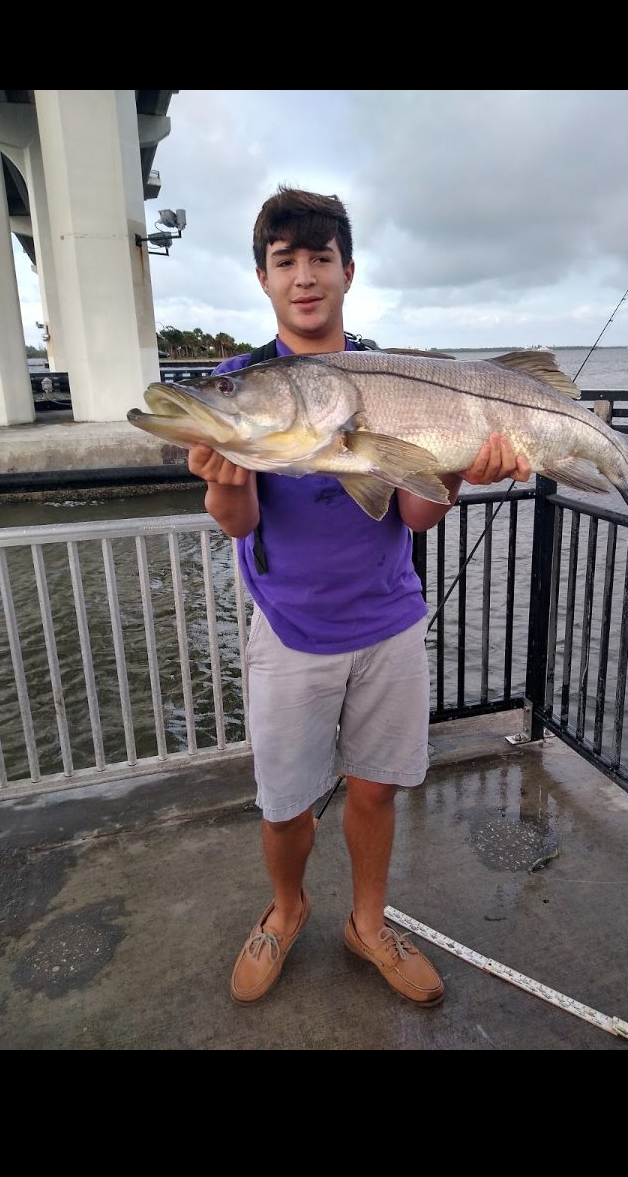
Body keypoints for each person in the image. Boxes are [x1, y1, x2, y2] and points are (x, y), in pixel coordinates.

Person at [188, 186, 530, 1008]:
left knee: (377, 787)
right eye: (286, 262)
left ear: (347, 271)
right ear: (264, 279)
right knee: (284, 804)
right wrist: (221, 483)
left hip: (388, 625)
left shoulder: (389, 372)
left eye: (319, 259)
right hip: (288, 631)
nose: (304, 276)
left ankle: (368, 923)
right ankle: (288, 909)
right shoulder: (239, 385)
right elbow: (237, 522)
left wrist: (454, 469)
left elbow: (415, 514)